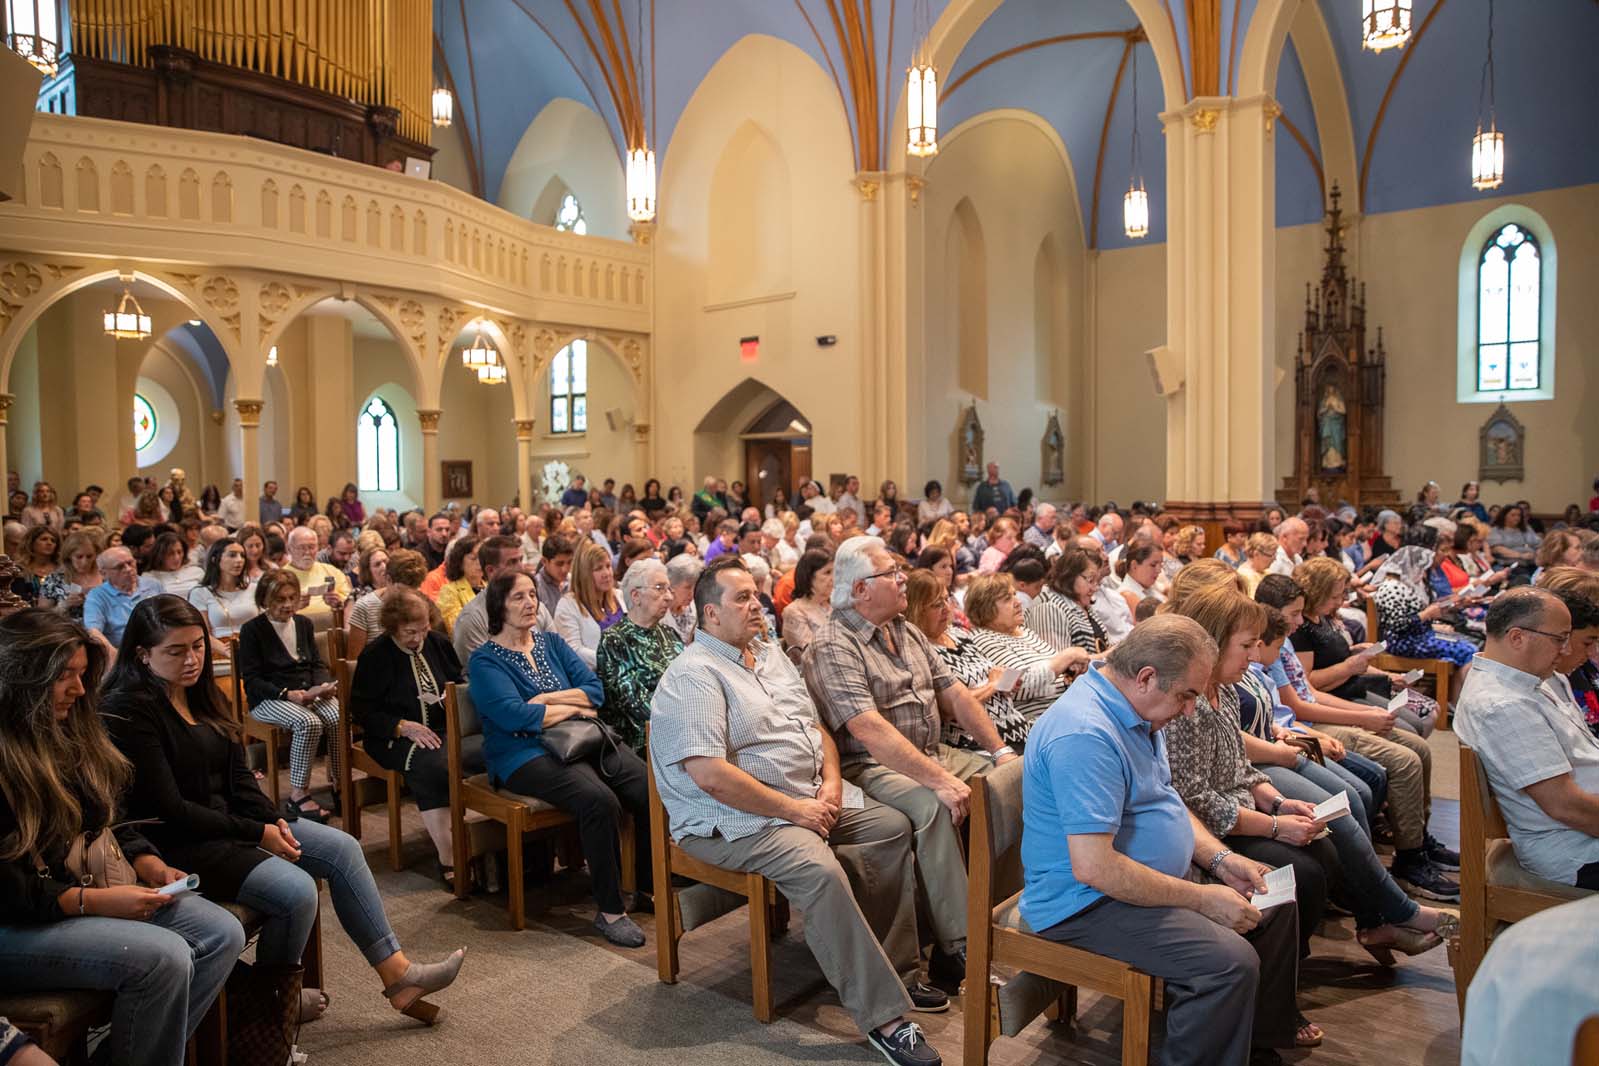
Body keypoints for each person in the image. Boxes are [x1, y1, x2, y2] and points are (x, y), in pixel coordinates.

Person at [102, 596, 464, 1026]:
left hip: (229, 825)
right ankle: (272, 1000)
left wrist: (272, 818)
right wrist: (259, 833)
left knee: (343, 848)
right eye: (176, 652)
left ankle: (398, 975)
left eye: (198, 646)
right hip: (181, 842)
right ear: (143, 655)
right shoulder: (130, 708)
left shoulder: (200, 696)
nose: (193, 660)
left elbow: (239, 779)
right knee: (296, 890)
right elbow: (171, 809)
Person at [651, 558, 946, 1066]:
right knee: (818, 869)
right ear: (709, 614)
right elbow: (710, 776)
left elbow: (815, 730)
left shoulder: (767, 655)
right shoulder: (695, 675)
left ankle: (893, 970)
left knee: (892, 826)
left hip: (805, 797)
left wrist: (830, 785)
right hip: (735, 819)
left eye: (756, 595)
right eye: (741, 598)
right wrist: (797, 810)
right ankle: (885, 1019)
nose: (757, 605)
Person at [1020, 613, 1302, 1066]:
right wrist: (1202, 899)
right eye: (1187, 695)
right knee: (1228, 964)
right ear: (1146, 677)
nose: (1191, 708)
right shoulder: (1086, 733)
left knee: (1273, 905)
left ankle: (1249, 1049)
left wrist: (1221, 859)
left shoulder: (1136, 711)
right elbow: (1094, 868)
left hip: (1126, 885)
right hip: (1083, 904)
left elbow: (1165, 801)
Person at [0, 609, 246, 1066]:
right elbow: (10, 889)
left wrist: (144, 858)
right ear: (22, 682)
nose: (78, 689)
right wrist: (90, 902)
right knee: (163, 958)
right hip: (16, 920)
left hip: (69, 890)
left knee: (221, 931)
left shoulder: (64, 730)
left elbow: (103, 820)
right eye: (65, 677)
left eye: (81, 674)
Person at [803, 536, 1017, 986]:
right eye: (891, 574)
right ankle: (960, 949)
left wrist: (999, 752)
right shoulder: (833, 643)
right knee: (934, 805)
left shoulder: (903, 628)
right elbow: (868, 731)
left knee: (1015, 783)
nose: (904, 580)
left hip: (929, 752)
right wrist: (939, 780)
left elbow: (956, 695)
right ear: (860, 589)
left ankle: (1005, 917)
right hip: (870, 767)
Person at [467, 570, 651, 947]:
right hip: (521, 754)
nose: (530, 603)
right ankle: (610, 909)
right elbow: (514, 716)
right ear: (498, 605)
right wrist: (572, 707)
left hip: (578, 742)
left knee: (648, 785)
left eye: (532, 595)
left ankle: (647, 885)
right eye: (518, 597)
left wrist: (547, 701)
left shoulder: (551, 642)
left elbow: (595, 692)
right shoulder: (485, 661)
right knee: (599, 801)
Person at [1253, 574, 1460, 901]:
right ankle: (1397, 865)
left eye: (1299, 613)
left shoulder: (1286, 640)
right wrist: (1357, 712)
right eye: (1293, 614)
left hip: (1296, 727)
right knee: (1380, 775)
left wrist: (1363, 705)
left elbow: (1303, 696)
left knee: (1414, 746)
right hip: (1301, 730)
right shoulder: (1271, 646)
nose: (1298, 620)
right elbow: (1296, 705)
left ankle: (1413, 841)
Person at [1455, 587, 1599, 888]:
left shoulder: (1526, 680)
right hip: (1575, 849)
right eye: (1559, 639)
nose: (1567, 650)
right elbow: (1564, 805)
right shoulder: (1505, 705)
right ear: (1517, 637)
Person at [351, 586, 483, 886]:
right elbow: (362, 711)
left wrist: (453, 698)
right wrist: (402, 726)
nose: (418, 638)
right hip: (392, 736)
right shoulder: (376, 655)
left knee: (486, 750)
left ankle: (483, 839)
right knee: (434, 766)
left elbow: (458, 681)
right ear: (392, 627)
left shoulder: (436, 642)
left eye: (423, 630)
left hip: (443, 729)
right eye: (410, 632)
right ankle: (449, 856)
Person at [235, 570, 343, 821]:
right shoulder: (252, 630)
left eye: (292, 598)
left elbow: (316, 663)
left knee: (338, 715)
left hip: (306, 692)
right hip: (269, 698)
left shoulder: (303, 624)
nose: (287, 605)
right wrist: (286, 694)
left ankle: (340, 780)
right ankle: (298, 793)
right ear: (265, 600)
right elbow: (252, 680)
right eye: (280, 600)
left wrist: (323, 685)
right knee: (308, 722)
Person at [904, 570, 1028, 752]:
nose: (947, 608)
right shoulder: (920, 651)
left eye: (947, 599)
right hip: (976, 741)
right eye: (937, 604)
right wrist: (993, 686)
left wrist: (1005, 684)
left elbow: (989, 676)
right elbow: (948, 709)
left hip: (1015, 727)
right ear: (917, 610)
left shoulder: (958, 634)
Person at [965, 574, 1089, 735]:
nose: (1018, 602)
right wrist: (1067, 658)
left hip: (1069, 708)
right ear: (985, 608)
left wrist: (1071, 668)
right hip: (1044, 722)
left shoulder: (1025, 633)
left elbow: (1057, 671)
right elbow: (1019, 685)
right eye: (1007, 599)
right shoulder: (983, 638)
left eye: (1014, 595)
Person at [594, 559, 683, 754]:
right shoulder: (615, 639)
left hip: (684, 730)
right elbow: (637, 705)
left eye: (669, 589)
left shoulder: (669, 633)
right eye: (660, 588)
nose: (668, 597)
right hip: (642, 742)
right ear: (636, 596)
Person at [1370, 545, 1475, 705]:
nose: (1424, 573)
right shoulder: (1391, 588)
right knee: (1468, 651)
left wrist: (1448, 605)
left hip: (1419, 635)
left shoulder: (1407, 584)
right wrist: (1427, 614)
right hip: (1403, 642)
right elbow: (1398, 625)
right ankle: (1454, 702)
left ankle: (1453, 699)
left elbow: (1426, 609)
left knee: (1466, 644)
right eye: (1422, 568)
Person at [554, 540, 623, 669]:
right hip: (595, 676)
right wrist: (613, 661)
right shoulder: (568, 605)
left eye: (608, 566)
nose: (606, 574)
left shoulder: (620, 596)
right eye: (598, 569)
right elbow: (574, 650)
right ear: (584, 574)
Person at [1025, 546, 1107, 654]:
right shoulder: (1048, 607)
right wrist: (1107, 655)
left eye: (1098, 581)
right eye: (1091, 580)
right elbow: (1055, 661)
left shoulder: (1080, 601)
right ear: (1069, 575)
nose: (1095, 588)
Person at [83, 547, 161, 653]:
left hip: (159, 646)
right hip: (124, 652)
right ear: (104, 573)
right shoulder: (97, 596)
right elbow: (93, 631)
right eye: (119, 567)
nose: (128, 569)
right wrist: (114, 655)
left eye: (130, 563)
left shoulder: (153, 585)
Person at [280, 526, 348, 631]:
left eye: (311, 547)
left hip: (329, 630)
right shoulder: (280, 576)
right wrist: (292, 607)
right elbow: (271, 613)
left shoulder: (332, 572)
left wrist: (338, 603)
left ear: (318, 548)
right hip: (293, 630)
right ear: (289, 549)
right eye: (302, 547)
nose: (307, 552)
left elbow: (350, 606)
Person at [39, 529, 102, 620]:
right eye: (79, 557)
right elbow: (41, 616)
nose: (84, 562)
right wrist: (64, 605)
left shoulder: (106, 575)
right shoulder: (54, 579)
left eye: (89, 556)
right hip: (66, 630)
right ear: (69, 556)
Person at [781, 548, 834, 655]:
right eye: (827, 572)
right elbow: (811, 654)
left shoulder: (835, 603)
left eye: (835, 572)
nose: (834, 577)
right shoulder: (794, 611)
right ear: (809, 576)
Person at [434, 535, 482, 635]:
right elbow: (458, 629)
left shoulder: (491, 586)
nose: (480, 562)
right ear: (459, 562)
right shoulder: (449, 591)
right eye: (474, 558)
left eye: (483, 557)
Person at [142, 531, 204, 599]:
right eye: (171, 553)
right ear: (160, 555)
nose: (177, 557)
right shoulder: (149, 577)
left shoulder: (197, 571)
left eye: (179, 552)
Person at [535, 532, 575, 619]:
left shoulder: (572, 580)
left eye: (569, 562)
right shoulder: (536, 588)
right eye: (559, 564)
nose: (565, 569)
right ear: (544, 561)